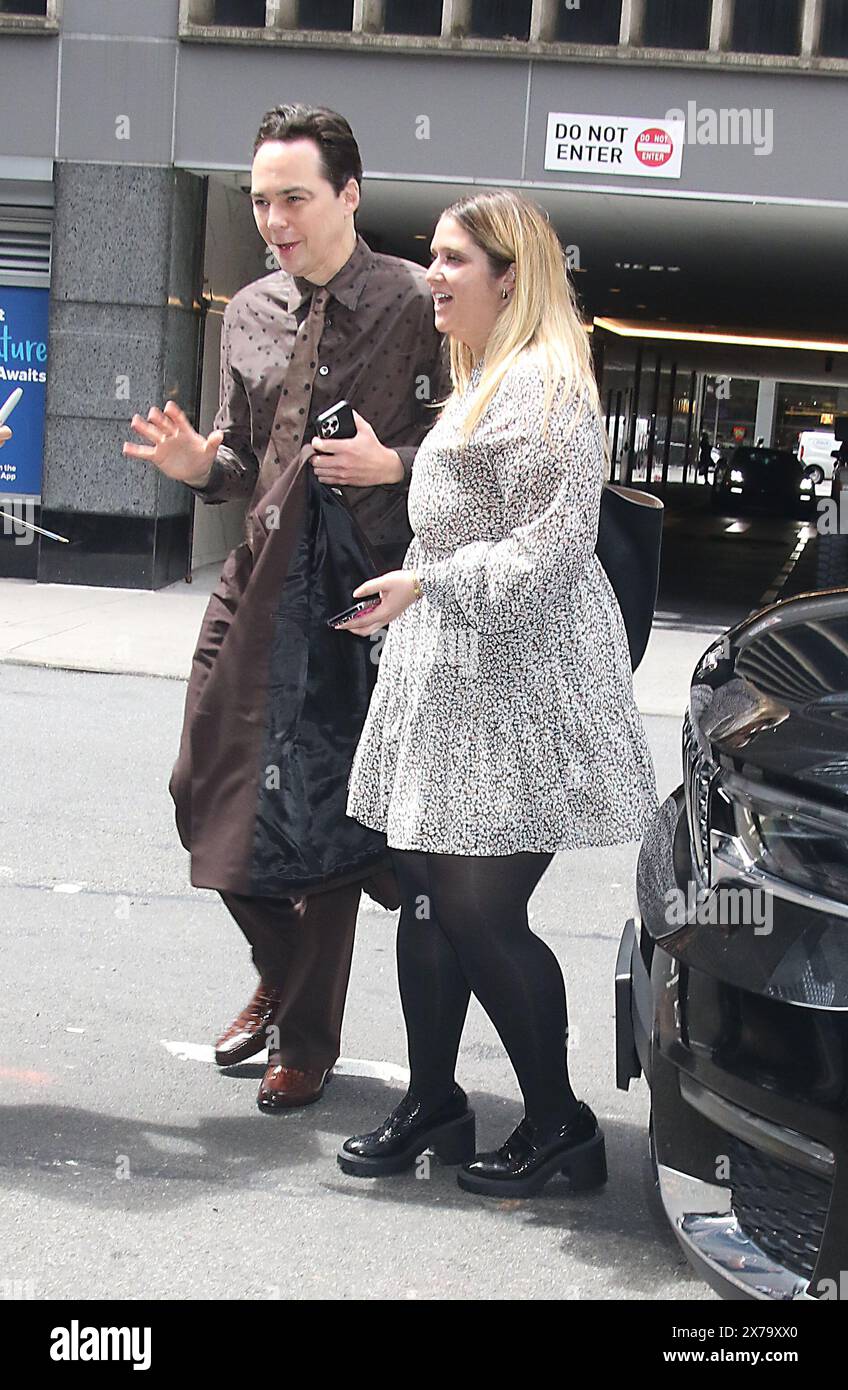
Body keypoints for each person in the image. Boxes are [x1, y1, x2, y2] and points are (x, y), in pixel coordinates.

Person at [333, 190, 660, 1197]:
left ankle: (560, 1126)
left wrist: (426, 581)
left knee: (478, 908)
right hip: (448, 675)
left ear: (508, 275)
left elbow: (550, 549)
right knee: (429, 896)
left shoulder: (549, 383)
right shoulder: (483, 380)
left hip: (517, 684)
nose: (431, 274)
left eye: (451, 259)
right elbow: (467, 503)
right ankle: (434, 1098)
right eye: (429, 256)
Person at [123, 105, 447, 1113]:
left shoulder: (409, 301)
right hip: (256, 577)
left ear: (348, 195)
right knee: (200, 784)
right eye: (261, 199)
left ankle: (304, 1038)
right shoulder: (248, 310)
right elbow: (236, 458)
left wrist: (396, 460)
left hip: (357, 591)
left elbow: (468, 447)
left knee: (326, 826)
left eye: (293, 197)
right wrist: (198, 466)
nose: (273, 218)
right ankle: (280, 961)